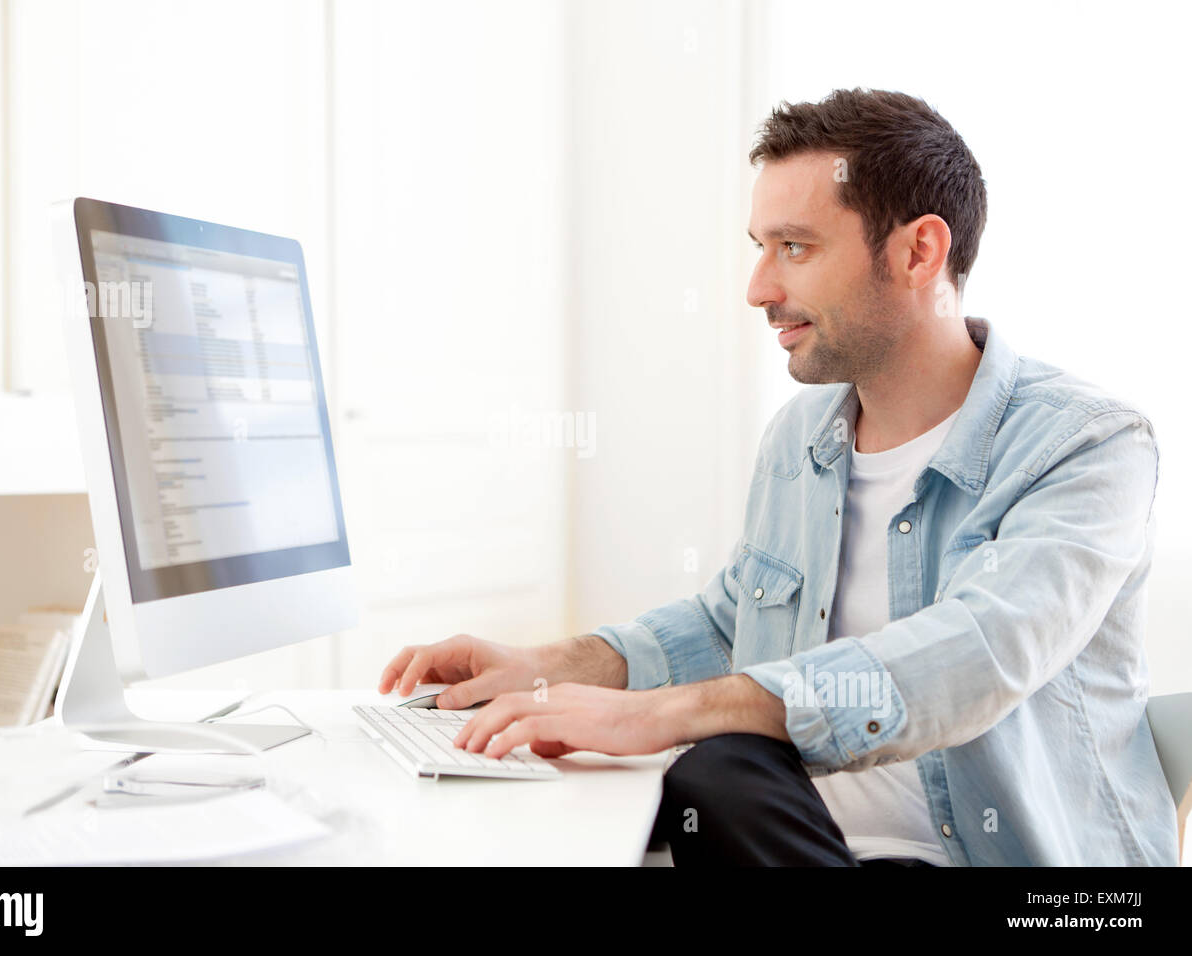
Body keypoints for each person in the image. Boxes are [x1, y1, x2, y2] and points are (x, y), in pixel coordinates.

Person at [377, 88, 1178, 867]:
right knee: (709, 776)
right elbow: (729, 624)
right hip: (811, 842)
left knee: (700, 760)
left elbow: (980, 650)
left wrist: (652, 715)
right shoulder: (804, 436)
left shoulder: (1087, 444)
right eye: (760, 248)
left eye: (794, 247)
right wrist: (546, 666)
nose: (759, 288)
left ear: (917, 253)